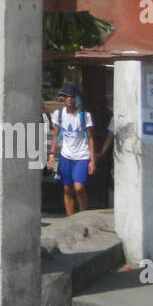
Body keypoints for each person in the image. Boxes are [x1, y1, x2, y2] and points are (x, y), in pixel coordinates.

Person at [46, 82, 100, 216]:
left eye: (72, 96)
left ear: (77, 98)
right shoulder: (58, 114)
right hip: (66, 156)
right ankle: (70, 218)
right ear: (63, 98)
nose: (69, 99)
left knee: (79, 187)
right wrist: (51, 155)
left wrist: (92, 160)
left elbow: (90, 138)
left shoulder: (84, 116)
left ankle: (83, 216)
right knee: (67, 189)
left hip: (82, 156)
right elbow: (56, 135)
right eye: (66, 96)